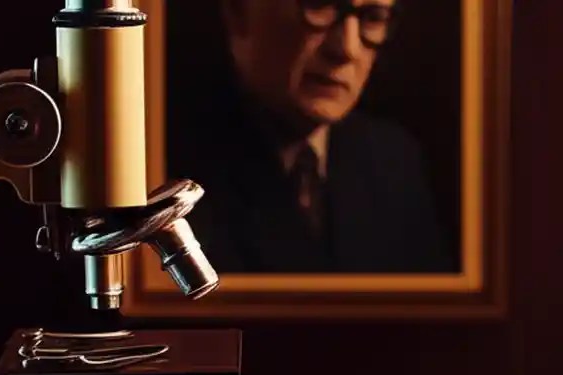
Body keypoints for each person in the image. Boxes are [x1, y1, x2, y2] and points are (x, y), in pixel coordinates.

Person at [172, 0, 457, 274]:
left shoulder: (394, 162)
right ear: (239, 10)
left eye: (373, 17)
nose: (346, 49)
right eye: (320, 4)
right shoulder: (168, 161)